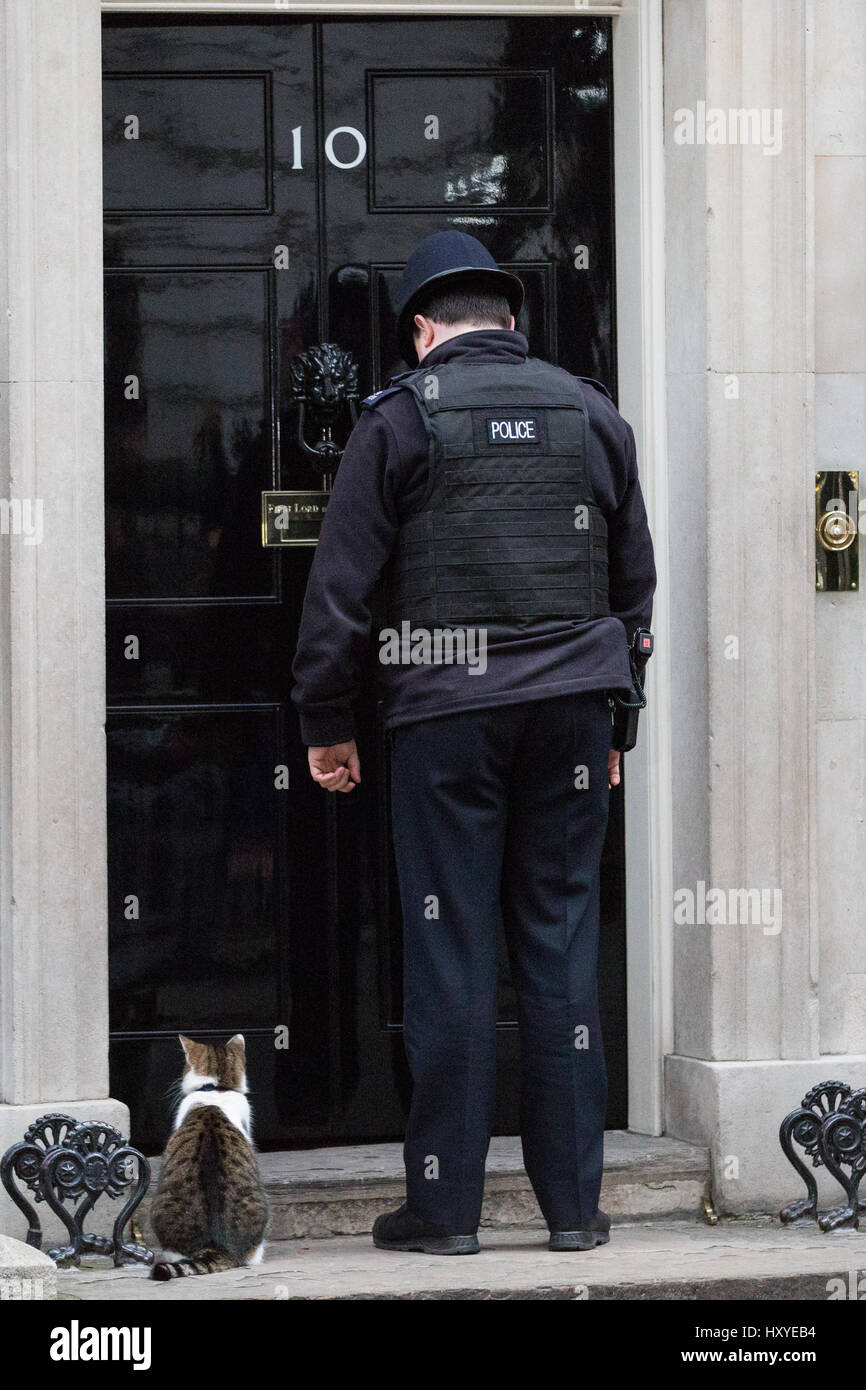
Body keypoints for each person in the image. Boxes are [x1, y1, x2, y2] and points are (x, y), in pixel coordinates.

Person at [291, 230, 656, 1255]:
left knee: (450, 951)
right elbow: (634, 585)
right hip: (573, 711)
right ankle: (573, 1211)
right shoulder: (590, 413)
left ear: (421, 329)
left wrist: (326, 722)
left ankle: (445, 1212)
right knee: (561, 945)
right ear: (509, 320)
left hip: (446, 714)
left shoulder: (401, 420)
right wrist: (619, 720)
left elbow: (340, 591)